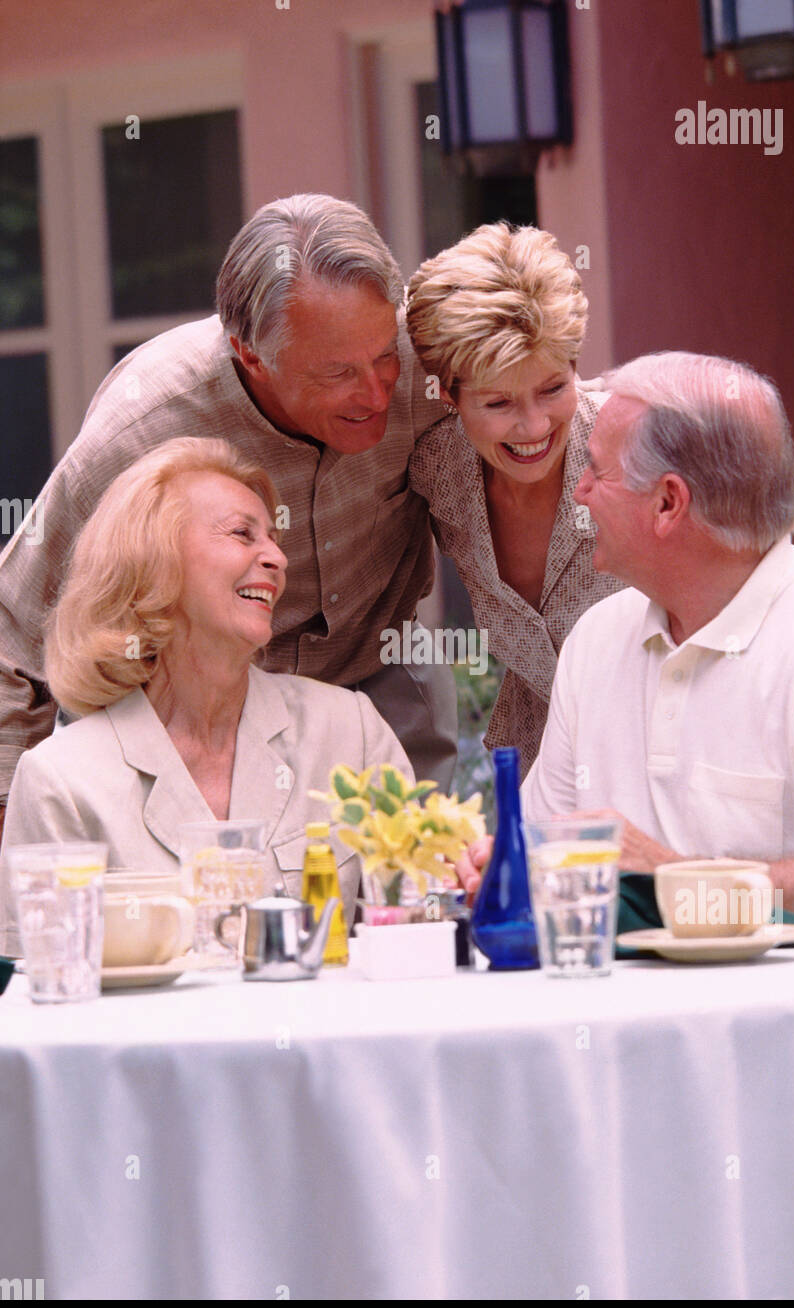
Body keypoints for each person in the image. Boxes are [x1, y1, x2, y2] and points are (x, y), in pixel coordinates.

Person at [0, 193, 455, 843]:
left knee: (415, 915)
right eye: (338, 374)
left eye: (386, 356)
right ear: (250, 355)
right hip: (181, 724)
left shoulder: (428, 362)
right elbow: (9, 635)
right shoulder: (140, 431)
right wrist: (11, 841)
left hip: (376, 685)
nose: (380, 392)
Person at [0, 439, 414, 954]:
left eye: (273, 538)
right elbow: (38, 995)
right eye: (243, 534)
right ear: (152, 560)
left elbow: (415, 933)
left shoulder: (350, 731)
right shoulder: (59, 779)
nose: (277, 558)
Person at [506, 351, 794, 920]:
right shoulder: (596, 638)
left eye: (597, 470)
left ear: (668, 503)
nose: (578, 491)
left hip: (774, 1012)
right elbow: (541, 847)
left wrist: (676, 879)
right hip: (602, 1007)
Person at [405, 222, 621, 776]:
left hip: (676, 765)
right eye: (498, 402)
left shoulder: (643, 443)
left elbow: (752, 569)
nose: (533, 426)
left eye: (553, 388)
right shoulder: (436, 469)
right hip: (539, 772)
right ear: (449, 396)